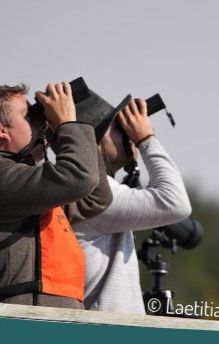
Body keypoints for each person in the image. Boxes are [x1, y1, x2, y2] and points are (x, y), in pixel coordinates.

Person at [0, 81, 112, 308]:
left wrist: (59, 132)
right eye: (29, 116)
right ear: (0, 129)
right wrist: (67, 124)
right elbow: (80, 178)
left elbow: (95, 198)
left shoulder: (19, 187)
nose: (39, 121)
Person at [72, 94, 191, 312]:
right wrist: (146, 139)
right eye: (117, 126)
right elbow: (175, 202)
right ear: (94, 142)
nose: (127, 130)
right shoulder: (92, 193)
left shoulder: (95, 189)